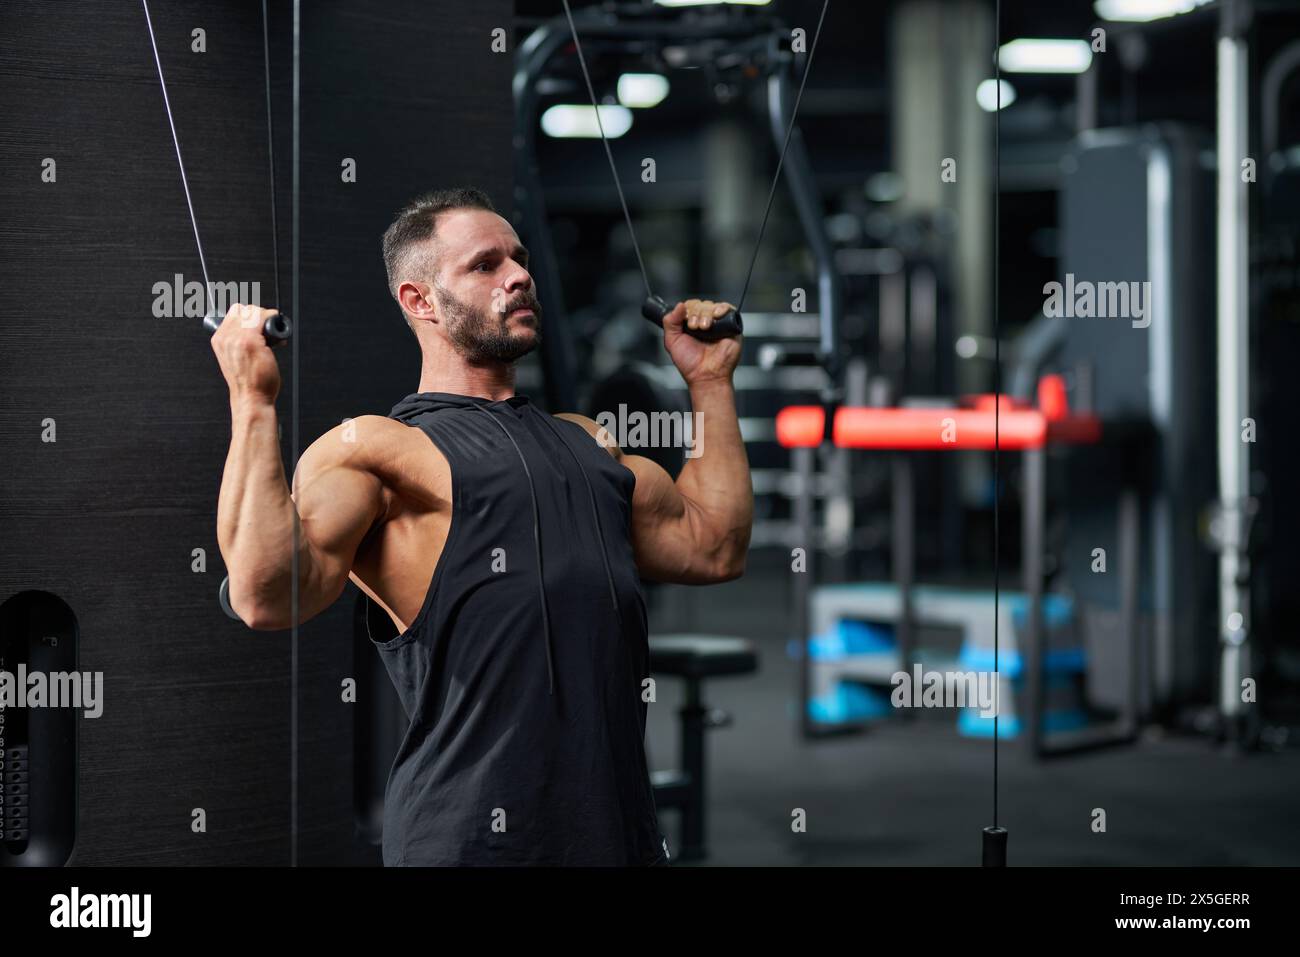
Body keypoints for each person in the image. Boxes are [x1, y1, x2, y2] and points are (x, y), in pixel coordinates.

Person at [210, 187, 753, 865]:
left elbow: (715, 546)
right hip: (467, 842)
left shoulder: (588, 443)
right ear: (420, 301)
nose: (519, 275)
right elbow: (266, 595)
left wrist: (711, 382)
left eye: (519, 259)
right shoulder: (377, 450)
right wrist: (253, 401)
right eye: (485, 264)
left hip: (619, 838)